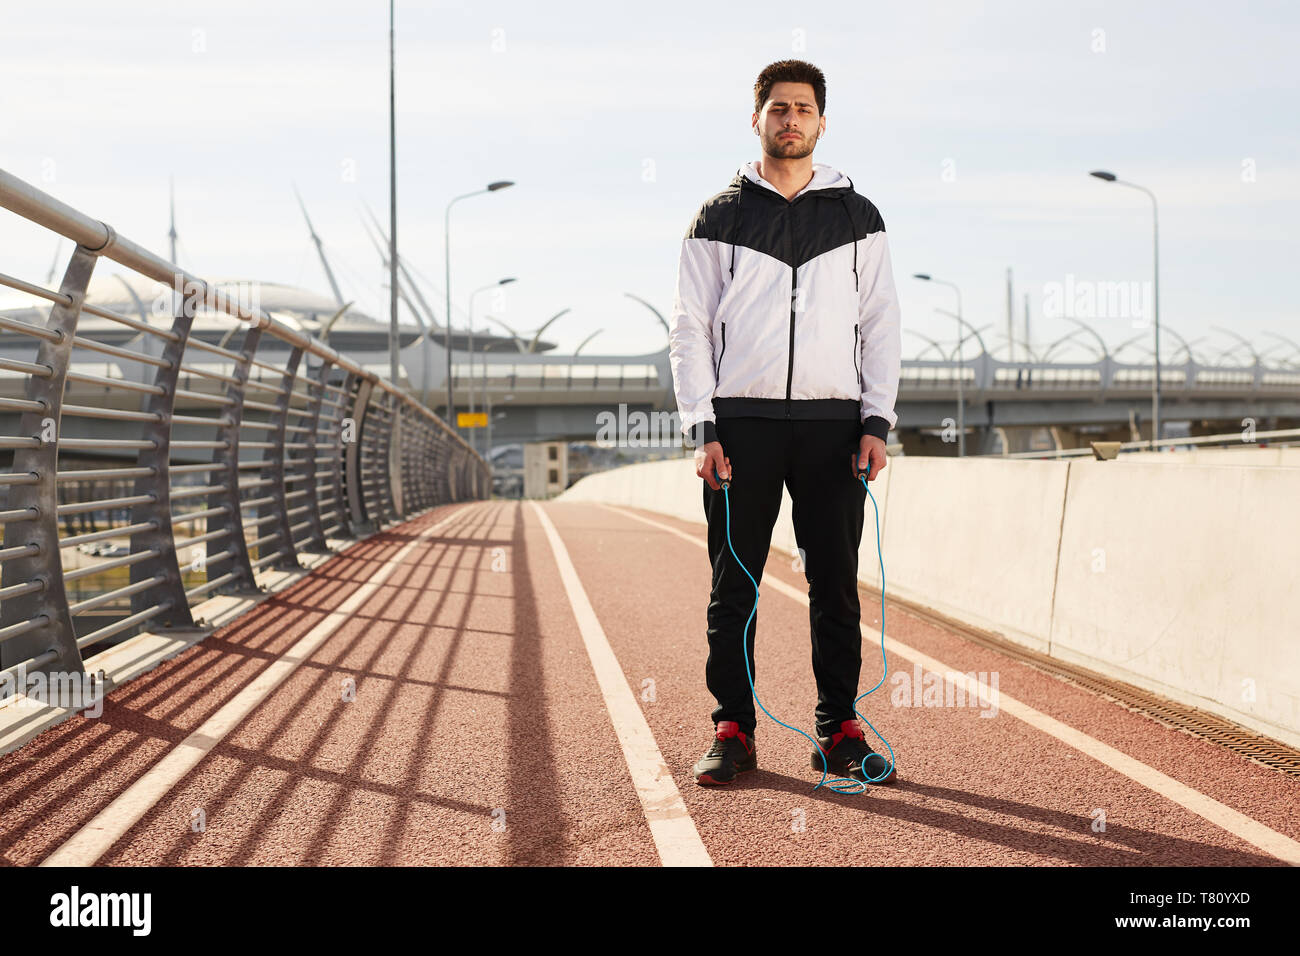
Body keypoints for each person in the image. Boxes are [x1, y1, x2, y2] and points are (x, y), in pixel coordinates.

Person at [667, 59, 902, 786]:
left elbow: (882, 323)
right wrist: (703, 428)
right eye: (777, 109)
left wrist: (877, 418)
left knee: (834, 581)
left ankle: (837, 727)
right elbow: (690, 330)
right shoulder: (719, 216)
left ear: (821, 122)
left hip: (834, 426)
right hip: (743, 425)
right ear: (757, 120)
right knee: (733, 582)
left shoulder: (858, 217)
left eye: (802, 109)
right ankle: (733, 727)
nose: (790, 120)